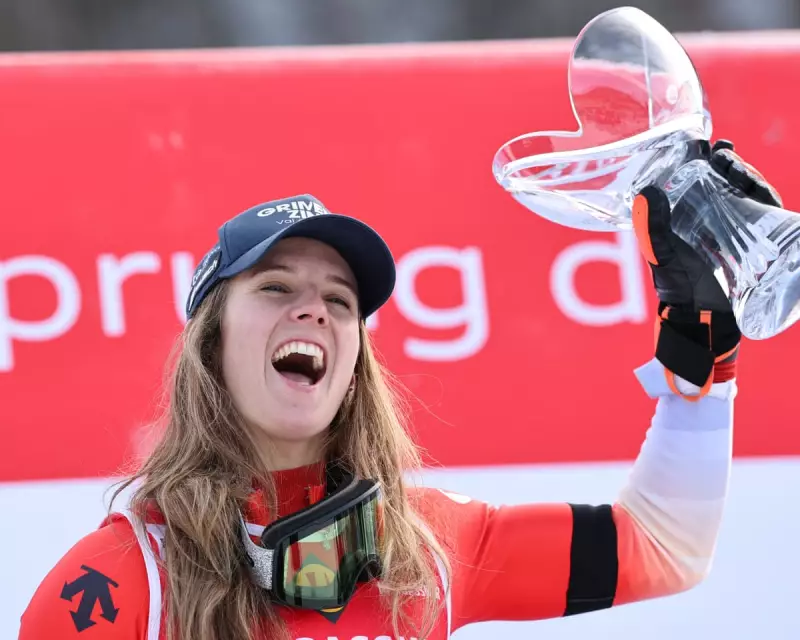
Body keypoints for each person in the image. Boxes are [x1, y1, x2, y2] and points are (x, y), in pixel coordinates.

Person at [18, 142, 781, 640]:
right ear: (209, 344)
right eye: (275, 286)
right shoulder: (122, 588)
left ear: (355, 362)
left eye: (340, 302)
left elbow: (666, 548)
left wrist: (698, 356)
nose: (312, 308)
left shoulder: (427, 550)